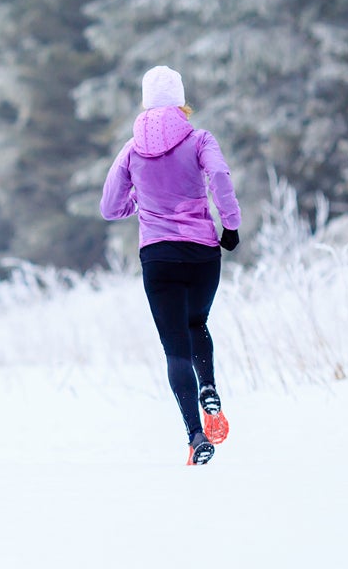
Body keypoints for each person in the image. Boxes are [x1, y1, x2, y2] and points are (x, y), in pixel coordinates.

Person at [100, 65, 242, 466]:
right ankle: (209, 387)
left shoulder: (131, 149)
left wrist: (141, 205)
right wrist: (230, 225)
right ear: (180, 101)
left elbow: (109, 206)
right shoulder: (199, 139)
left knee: (175, 349)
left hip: (158, 256)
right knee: (197, 323)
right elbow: (219, 176)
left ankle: (196, 436)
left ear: (146, 102)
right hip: (201, 253)